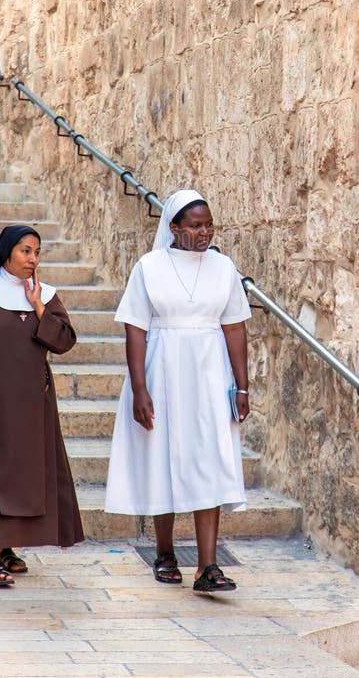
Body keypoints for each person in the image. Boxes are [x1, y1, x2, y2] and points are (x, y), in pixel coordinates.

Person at [105, 189, 251, 592]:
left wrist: (242, 385)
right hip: (162, 367)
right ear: (174, 228)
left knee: (211, 458)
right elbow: (135, 328)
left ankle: (208, 566)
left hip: (209, 370)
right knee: (162, 454)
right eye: (195, 225)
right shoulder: (149, 266)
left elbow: (235, 327)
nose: (204, 232)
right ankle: (165, 551)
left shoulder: (224, 267)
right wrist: (139, 388)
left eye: (209, 225)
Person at [0, 225, 84, 587]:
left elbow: (65, 341)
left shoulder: (47, 296)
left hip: (35, 404)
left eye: (37, 252)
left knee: (27, 473)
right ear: (7, 252)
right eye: (25, 251)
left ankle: (7, 547)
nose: (33, 259)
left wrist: (38, 307)